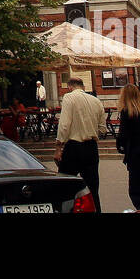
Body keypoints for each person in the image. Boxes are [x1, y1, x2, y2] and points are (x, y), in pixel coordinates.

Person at [55, 77, 107, 211]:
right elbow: (102, 128)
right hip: (91, 147)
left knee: (65, 185)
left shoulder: (69, 97)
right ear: (83, 87)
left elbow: (64, 124)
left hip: (74, 146)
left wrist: (58, 147)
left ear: (70, 87)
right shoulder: (96, 101)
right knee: (93, 188)